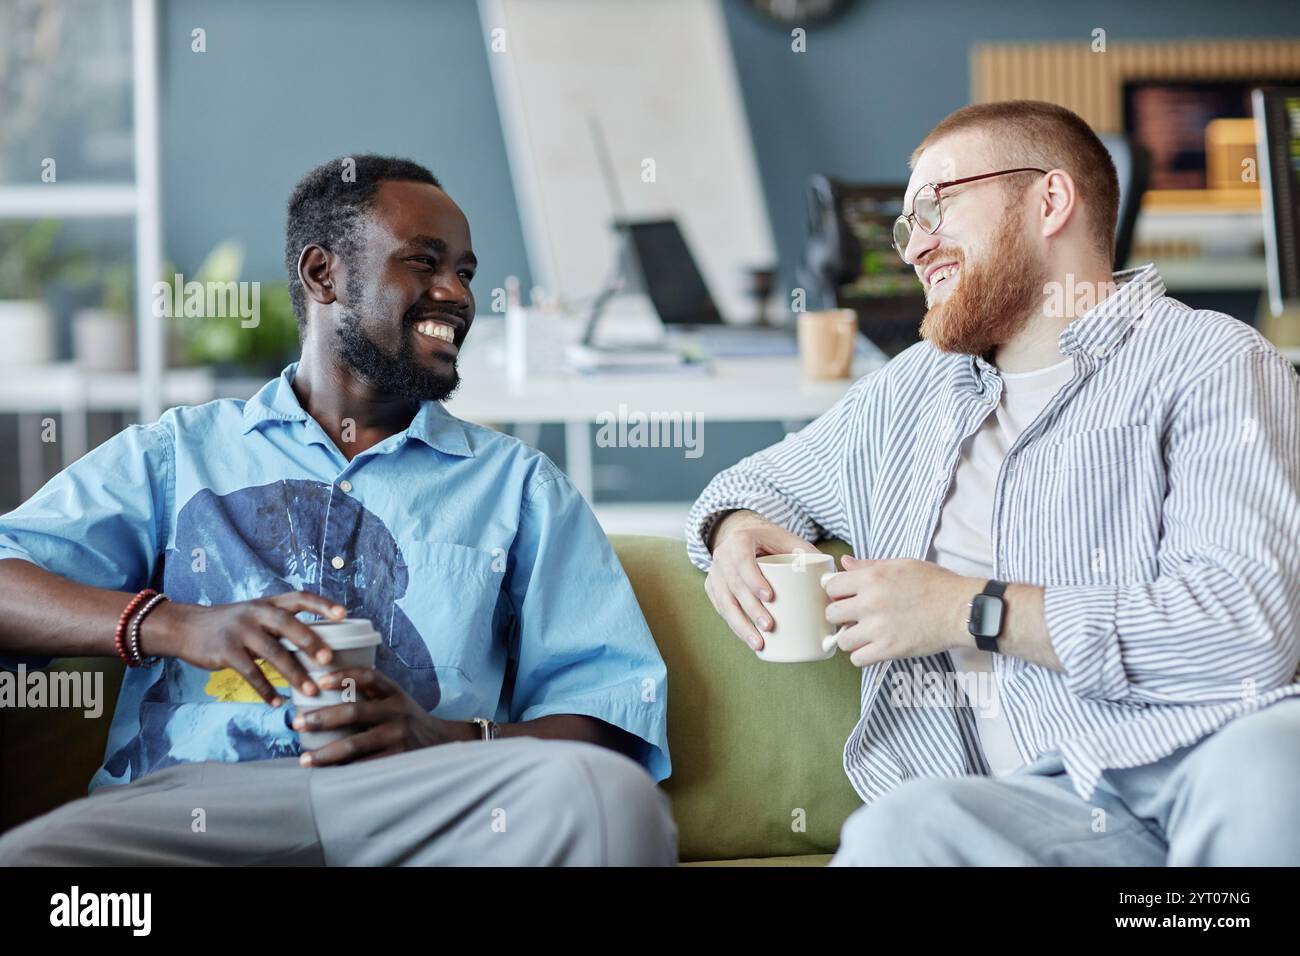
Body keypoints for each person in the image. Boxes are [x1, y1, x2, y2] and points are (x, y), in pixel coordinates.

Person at [0, 154, 675, 866]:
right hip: (195, 810)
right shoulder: (176, 455)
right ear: (323, 274)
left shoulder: (519, 487)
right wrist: (175, 624)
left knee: (611, 801)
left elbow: (608, 720)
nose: (457, 294)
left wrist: (438, 737)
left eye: (466, 273)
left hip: (422, 812)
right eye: (425, 262)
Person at [688, 101, 1300, 865]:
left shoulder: (1212, 363)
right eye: (908, 225)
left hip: (1197, 766)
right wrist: (733, 531)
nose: (916, 248)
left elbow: (1245, 633)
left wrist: (968, 609)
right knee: (893, 834)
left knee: (1278, 763)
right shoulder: (911, 390)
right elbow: (755, 484)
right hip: (1023, 815)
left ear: (1050, 201)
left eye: (937, 207)